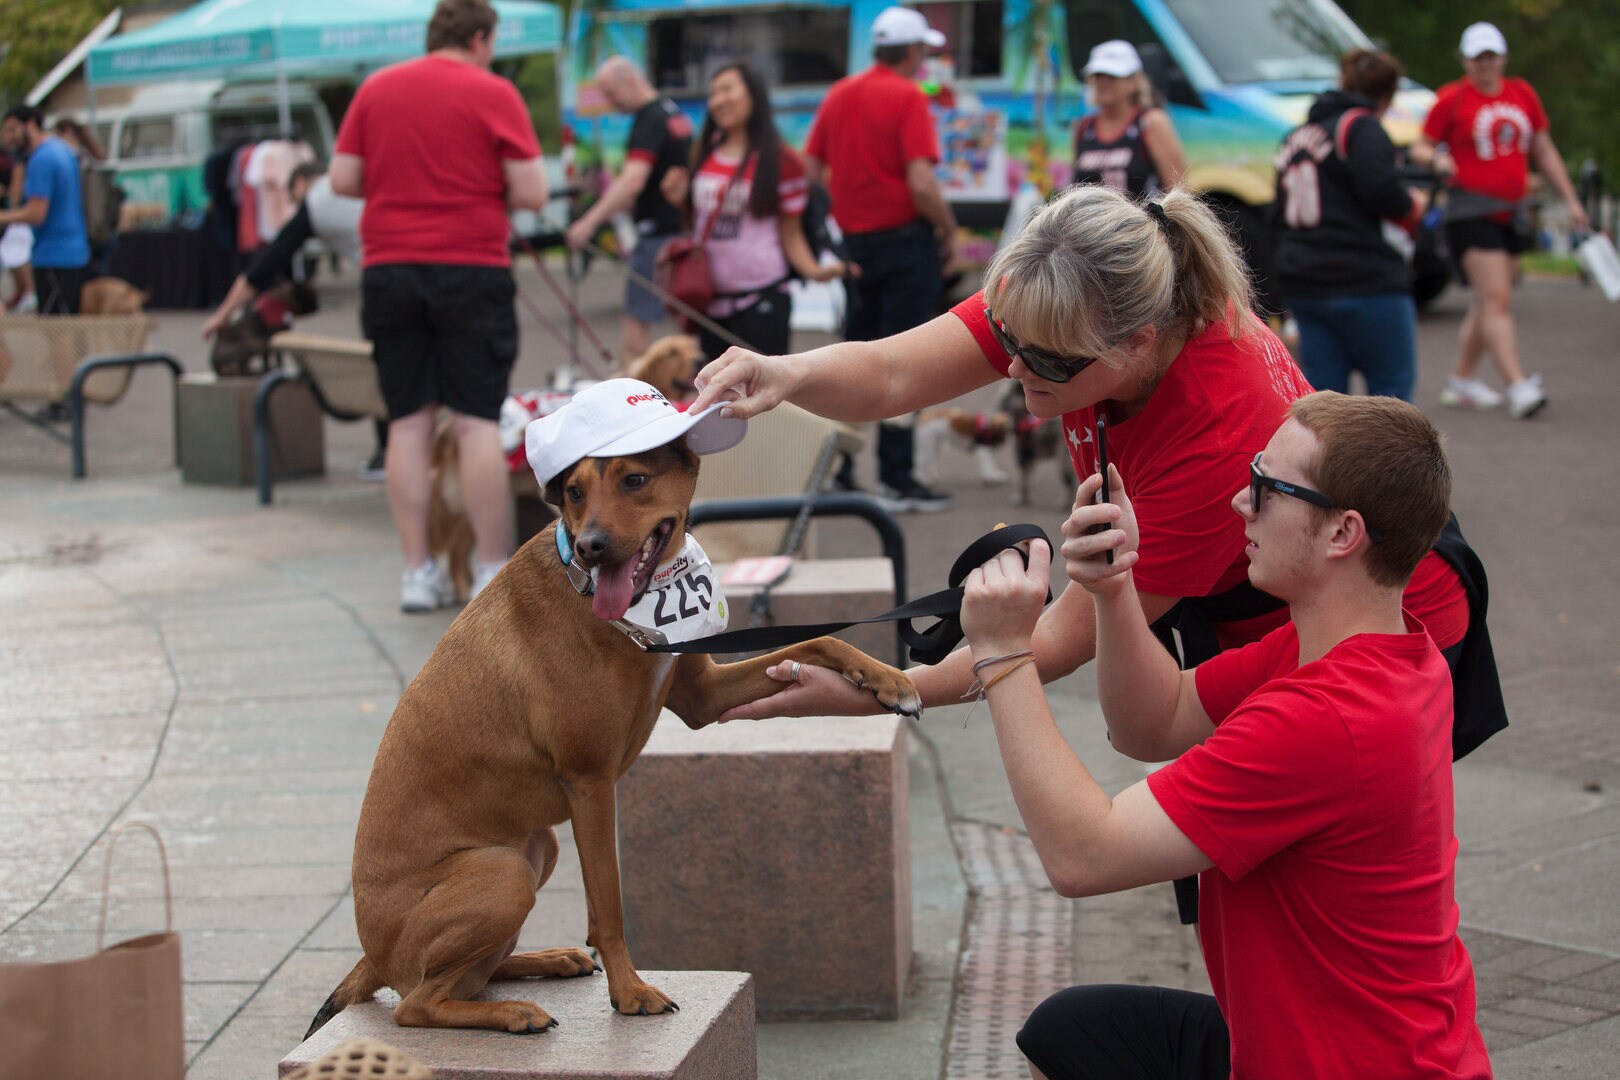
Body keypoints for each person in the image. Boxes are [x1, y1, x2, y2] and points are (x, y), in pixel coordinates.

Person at [689, 185, 1476, 741]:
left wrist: (880, 693)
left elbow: (1061, 640)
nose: (1018, 374)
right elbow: (896, 374)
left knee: (1291, 851)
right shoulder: (1067, 303)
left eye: (1049, 364)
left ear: (1137, 342)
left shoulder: (1216, 433)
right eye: (1009, 345)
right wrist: (787, 374)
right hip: (1253, 590)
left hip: (1370, 615)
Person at [956, 391, 1489, 1078]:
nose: (1242, 503)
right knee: (1073, 1033)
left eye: (1266, 488)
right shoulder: (1374, 649)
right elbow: (1154, 721)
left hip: (1346, 1064)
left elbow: (1082, 857)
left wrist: (1002, 655)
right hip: (1360, 1047)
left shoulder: (1327, 717)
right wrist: (1117, 590)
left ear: (1341, 534)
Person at [330, 0, 548, 612]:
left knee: (407, 422)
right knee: (477, 419)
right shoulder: (493, 91)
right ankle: (487, 571)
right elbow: (532, 190)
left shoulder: (376, 89)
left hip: (389, 269)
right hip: (470, 266)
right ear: (480, 38)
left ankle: (417, 572)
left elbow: (344, 178)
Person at [804, 5, 958, 513]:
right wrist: (947, 226)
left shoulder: (840, 93)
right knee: (908, 361)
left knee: (851, 358)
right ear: (912, 52)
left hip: (855, 246)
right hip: (906, 243)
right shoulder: (909, 97)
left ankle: (842, 469)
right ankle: (896, 477)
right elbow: (920, 181)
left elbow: (809, 168)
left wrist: (836, 214)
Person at [1412, 21, 1587, 420]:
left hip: (1512, 211)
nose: (1485, 64)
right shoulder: (1452, 98)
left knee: (1489, 300)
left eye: (1491, 56)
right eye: (1478, 57)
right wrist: (1437, 158)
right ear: (1465, 60)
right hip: (1469, 211)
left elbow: (1543, 149)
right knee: (1497, 300)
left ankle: (1462, 379)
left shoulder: (1522, 93)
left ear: (1503, 57)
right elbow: (1421, 145)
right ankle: (1517, 384)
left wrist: (1571, 200)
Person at [201, 163, 387, 480]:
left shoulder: (317, 201)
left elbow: (264, 267)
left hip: (386, 284)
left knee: (383, 371)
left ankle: (387, 452)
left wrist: (222, 314)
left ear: (300, 183)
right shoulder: (363, 182)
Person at [660, 62, 846, 361]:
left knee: (763, 401)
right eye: (713, 93)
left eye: (728, 89)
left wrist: (815, 270)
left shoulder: (782, 160)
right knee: (713, 399)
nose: (719, 100)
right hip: (708, 304)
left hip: (762, 303)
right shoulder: (704, 152)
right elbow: (699, 225)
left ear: (753, 95)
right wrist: (681, 199)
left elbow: (791, 232)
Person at [1274, 49, 1425, 400]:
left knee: (1325, 407)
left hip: (1306, 282)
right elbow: (1383, 192)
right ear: (1386, 95)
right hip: (1366, 280)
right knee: (1391, 404)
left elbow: (1276, 215)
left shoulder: (1296, 136)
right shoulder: (1362, 127)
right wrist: (1413, 202)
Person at [565, 56, 692, 360]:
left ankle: (629, 393)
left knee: (635, 327)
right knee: (686, 322)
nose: (610, 103)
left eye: (610, 93)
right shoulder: (672, 112)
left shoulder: (649, 120)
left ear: (630, 81)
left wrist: (588, 223)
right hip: (682, 231)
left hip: (657, 234)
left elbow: (633, 180)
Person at [0, 106, 89, 315]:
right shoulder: (62, 149)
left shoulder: (41, 159)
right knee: (68, 325)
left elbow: (36, 213)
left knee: (57, 329)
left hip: (54, 255)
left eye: (12, 130)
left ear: (30, 125)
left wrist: (3, 216)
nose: (8, 138)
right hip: (74, 251)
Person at [1071, 40, 1186, 196]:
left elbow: (1179, 191)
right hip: (1094, 220)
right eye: (1098, 75)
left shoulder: (1151, 122)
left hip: (1142, 219)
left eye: (1112, 76)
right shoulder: (1083, 127)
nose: (1103, 82)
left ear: (1134, 81)